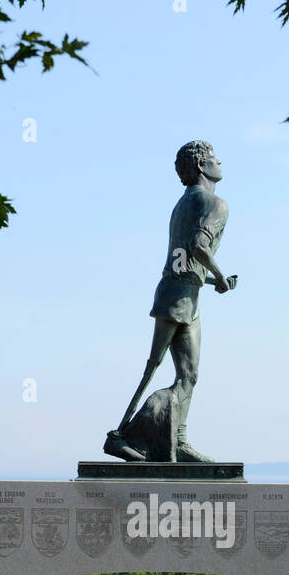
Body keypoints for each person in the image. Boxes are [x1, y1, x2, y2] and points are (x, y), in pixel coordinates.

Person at [105, 140, 236, 464]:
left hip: (184, 295)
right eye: (215, 158)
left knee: (187, 374)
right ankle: (121, 436)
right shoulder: (216, 204)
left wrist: (210, 280)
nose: (220, 162)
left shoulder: (182, 204)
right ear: (203, 166)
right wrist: (219, 276)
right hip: (177, 299)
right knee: (152, 368)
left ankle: (178, 441)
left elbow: (183, 264)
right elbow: (198, 247)